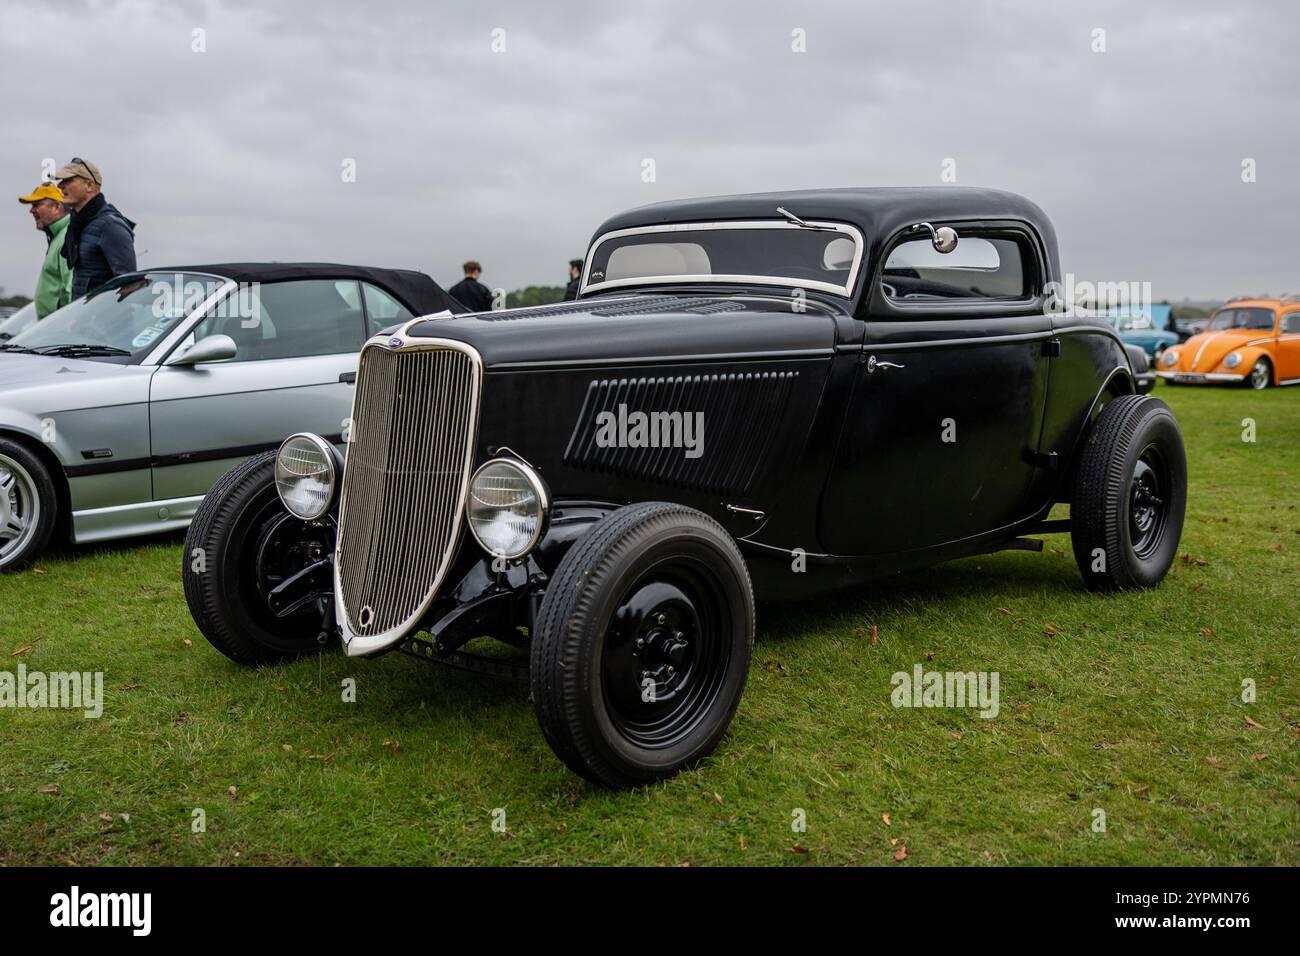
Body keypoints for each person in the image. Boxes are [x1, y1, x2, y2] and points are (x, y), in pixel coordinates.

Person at [53, 157, 137, 298]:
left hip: (106, 319)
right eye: (61, 181)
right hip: (84, 318)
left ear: (89, 186)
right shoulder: (79, 224)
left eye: (68, 181)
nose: (60, 186)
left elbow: (130, 286)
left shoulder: (110, 225)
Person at [17, 183, 73, 318]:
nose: (31, 211)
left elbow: (71, 289)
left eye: (36, 204)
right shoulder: (59, 236)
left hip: (60, 332)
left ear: (57, 207)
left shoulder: (67, 237)